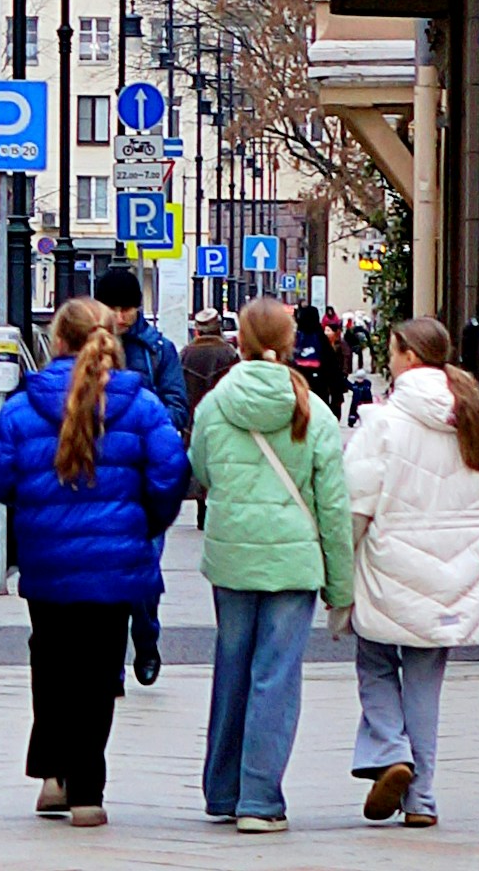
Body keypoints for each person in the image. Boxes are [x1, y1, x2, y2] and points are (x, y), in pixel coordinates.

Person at [0, 297, 189, 829]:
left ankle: (54, 774)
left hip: (48, 560)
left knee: (51, 663)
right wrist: (145, 524)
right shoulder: (139, 405)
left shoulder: (25, 407)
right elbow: (171, 473)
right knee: (98, 673)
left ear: (59, 341)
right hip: (116, 565)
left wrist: (34, 509)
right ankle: (87, 792)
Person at [191, 295, 355, 832]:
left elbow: (203, 472)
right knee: (276, 675)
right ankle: (259, 801)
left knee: (231, 666)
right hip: (292, 560)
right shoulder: (314, 411)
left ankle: (222, 790)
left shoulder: (216, 404)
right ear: (288, 344)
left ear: (240, 337)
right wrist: (340, 585)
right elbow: (331, 506)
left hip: (233, 553)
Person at [343, 316, 479, 830]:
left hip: (391, 563)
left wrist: (341, 565)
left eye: (392, 351)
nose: (388, 359)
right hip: (452, 566)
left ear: (408, 355)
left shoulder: (383, 422)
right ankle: (422, 799)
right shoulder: (470, 416)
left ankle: (390, 752)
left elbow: (357, 505)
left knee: (376, 661)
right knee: (427, 683)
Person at [90, 263, 188, 687]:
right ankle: (110, 663)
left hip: (144, 478)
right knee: (105, 574)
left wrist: (141, 420)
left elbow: (178, 404)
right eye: (114, 307)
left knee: (144, 568)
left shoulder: (157, 349)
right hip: (100, 475)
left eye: (129, 307)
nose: (122, 316)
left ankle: (146, 638)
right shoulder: (85, 348)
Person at [181, 309, 239, 524]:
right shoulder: (229, 353)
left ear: (197, 331)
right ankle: (215, 503)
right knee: (220, 459)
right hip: (223, 415)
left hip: (193, 417)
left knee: (198, 459)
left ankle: (200, 506)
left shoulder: (186, 354)